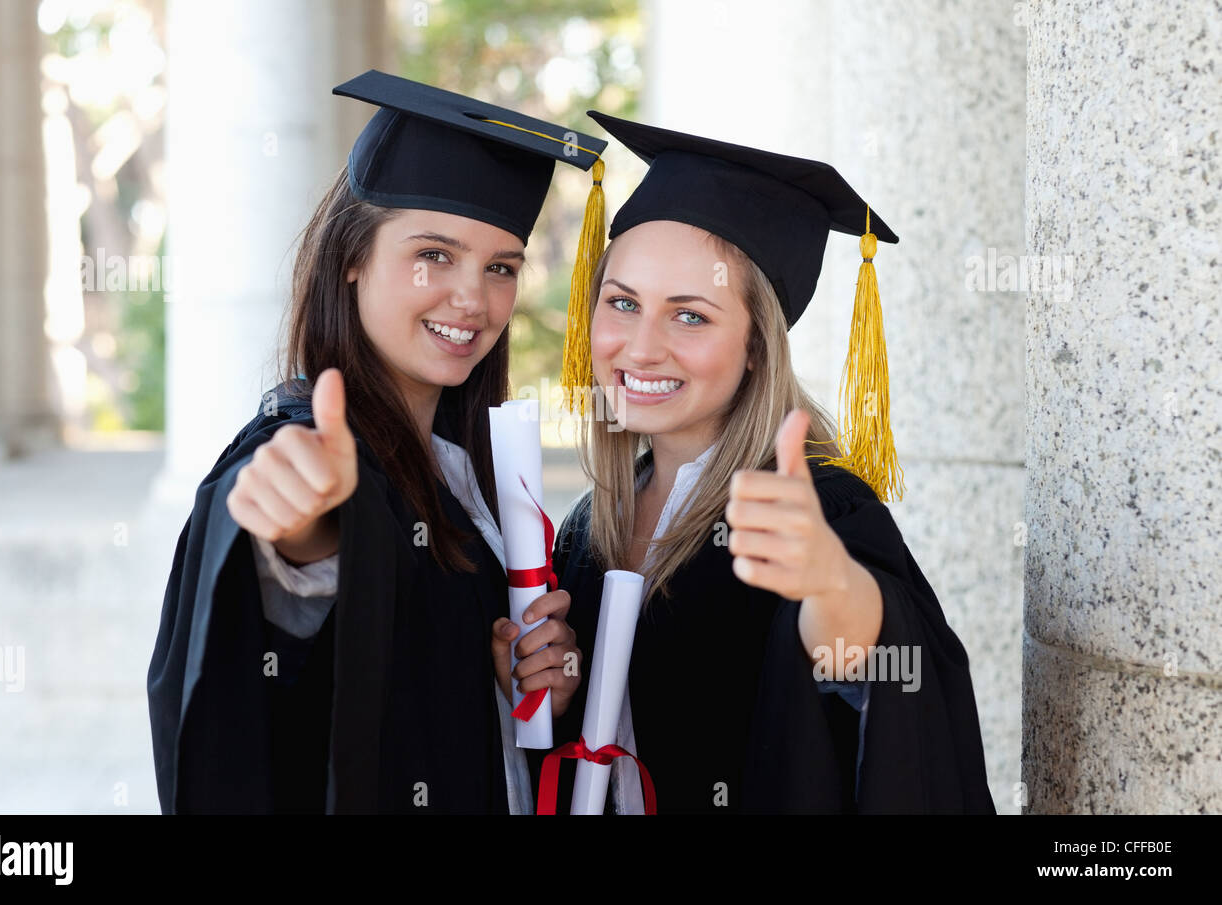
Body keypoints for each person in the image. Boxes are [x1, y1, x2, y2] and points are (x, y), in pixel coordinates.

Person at [147, 71, 605, 814]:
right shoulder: (311, 446)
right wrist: (299, 534)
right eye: (434, 254)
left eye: (501, 268)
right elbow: (289, 587)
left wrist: (524, 690)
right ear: (352, 256)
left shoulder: (457, 469)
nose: (473, 299)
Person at [526, 112, 996, 814]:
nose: (642, 347)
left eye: (691, 316)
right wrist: (558, 687)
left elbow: (887, 667)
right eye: (622, 302)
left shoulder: (818, 509)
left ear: (756, 345)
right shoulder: (591, 522)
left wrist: (834, 586)